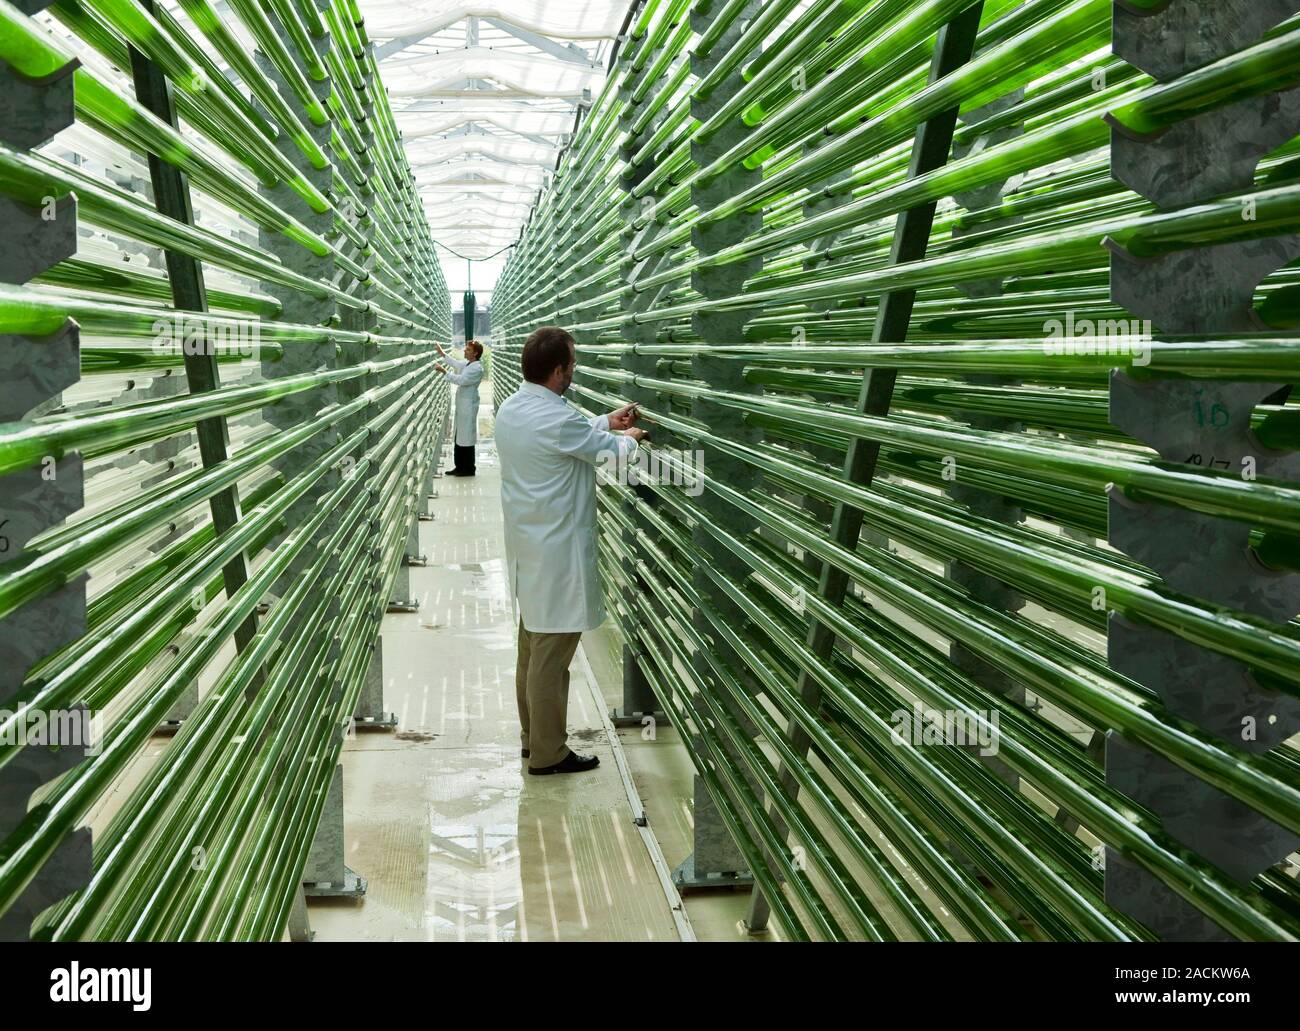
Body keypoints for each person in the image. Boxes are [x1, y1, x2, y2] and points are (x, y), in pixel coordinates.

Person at [495, 326, 647, 775]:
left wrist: (604, 421)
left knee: (532, 648)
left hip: (531, 548)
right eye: (573, 365)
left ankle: (532, 739)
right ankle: (549, 753)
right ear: (559, 371)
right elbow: (600, 450)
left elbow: (570, 436)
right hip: (556, 553)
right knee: (551, 659)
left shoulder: (512, 408)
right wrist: (630, 439)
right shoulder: (558, 421)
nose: (574, 371)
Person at [435, 339, 484, 476]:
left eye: (468, 349)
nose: (464, 350)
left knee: (466, 437)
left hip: (468, 406)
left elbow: (461, 380)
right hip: (463, 405)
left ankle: (468, 468)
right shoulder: (469, 364)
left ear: (475, 353)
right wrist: (442, 353)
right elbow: (456, 364)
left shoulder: (476, 368)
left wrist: (444, 372)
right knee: (459, 435)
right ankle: (459, 466)